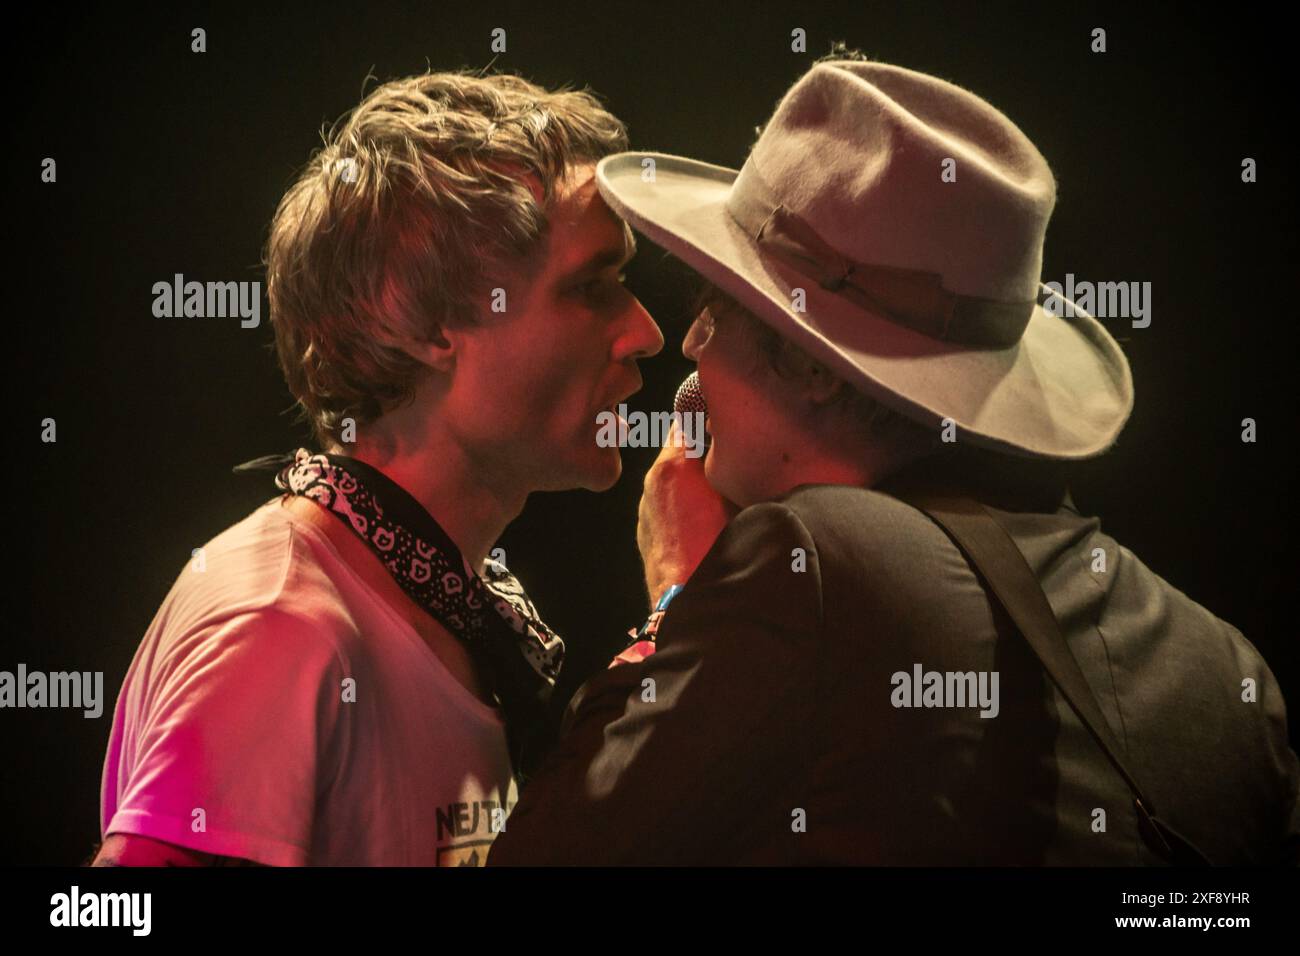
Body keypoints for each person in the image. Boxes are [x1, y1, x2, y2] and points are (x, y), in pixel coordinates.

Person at [486, 56, 1300, 865]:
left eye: (718, 307)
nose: (687, 344)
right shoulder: (1232, 675)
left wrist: (675, 593)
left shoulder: (816, 561)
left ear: (809, 365)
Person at [93, 69, 662, 866]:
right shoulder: (279, 626)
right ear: (421, 316)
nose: (645, 332)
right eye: (593, 285)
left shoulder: (438, 601)